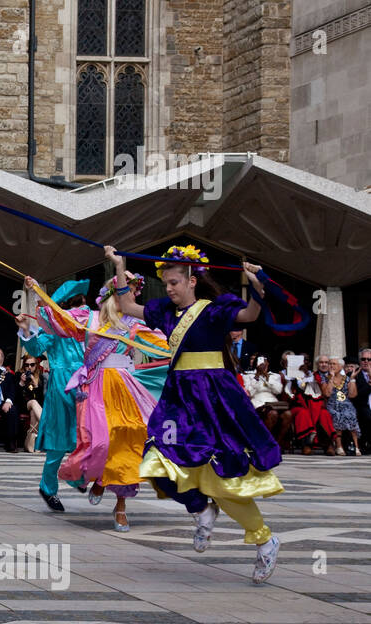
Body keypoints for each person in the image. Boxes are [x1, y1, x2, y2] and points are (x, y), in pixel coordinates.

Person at [105, 244, 281, 584]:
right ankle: (200, 508)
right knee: (156, 461)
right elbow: (126, 305)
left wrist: (258, 286)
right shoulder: (164, 313)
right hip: (180, 396)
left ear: (191, 281)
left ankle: (264, 539)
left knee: (224, 481)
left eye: (174, 282)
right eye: (166, 283)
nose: (169, 288)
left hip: (214, 397)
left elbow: (250, 316)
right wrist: (119, 265)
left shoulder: (214, 310)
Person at [28, 271, 169, 532]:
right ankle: (100, 480)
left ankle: (121, 507)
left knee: (130, 440)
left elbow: (165, 341)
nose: (130, 298)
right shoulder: (89, 318)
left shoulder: (135, 324)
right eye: (124, 294)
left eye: (133, 294)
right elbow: (59, 319)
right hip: (94, 388)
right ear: (110, 296)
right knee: (100, 441)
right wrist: (37, 292)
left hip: (125, 387)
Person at [17, 280, 90, 509]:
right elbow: (37, 349)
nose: (83, 310)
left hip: (86, 379)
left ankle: (77, 475)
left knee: (87, 433)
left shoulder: (91, 322)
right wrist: (26, 330)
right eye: (79, 304)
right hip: (62, 383)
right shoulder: (55, 324)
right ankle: (49, 487)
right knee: (60, 437)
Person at [284, 354, 336, 455]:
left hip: (315, 403)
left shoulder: (314, 375)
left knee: (324, 414)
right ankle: (306, 444)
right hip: (299, 404)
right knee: (303, 414)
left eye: (307, 360)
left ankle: (328, 444)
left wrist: (307, 374)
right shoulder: (291, 375)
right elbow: (294, 390)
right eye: (303, 361)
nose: (305, 363)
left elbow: (320, 390)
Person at [243, 355, 292, 445]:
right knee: (272, 414)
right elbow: (249, 392)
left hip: (273, 403)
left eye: (265, 361)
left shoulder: (275, 376)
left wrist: (267, 378)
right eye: (260, 361)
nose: (262, 363)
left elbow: (278, 391)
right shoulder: (248, 375)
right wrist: (257, 376)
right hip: (257, 402)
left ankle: (277, 443)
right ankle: (265, 443)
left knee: (288, 414)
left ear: (268, 363)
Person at [324, 358, 360, 456]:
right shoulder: (325, 378)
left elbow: (352, 395)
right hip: (332, 404)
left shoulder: (347, 378)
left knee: (350, 414)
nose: (331, 366)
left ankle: (356, 446)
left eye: (334, 364)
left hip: (346, 404)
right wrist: (331, 379)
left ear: (340, 367)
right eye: (330, 364)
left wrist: (352, 379)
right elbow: (327, 394)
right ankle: (339, 446)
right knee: (336, 414)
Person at [19, 356, 45, 452]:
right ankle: (46, 426)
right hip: (23, 405)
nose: (29, 367)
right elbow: (16, 397)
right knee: (33, 403)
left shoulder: (40, 377)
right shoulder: (19, 375)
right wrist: (21, 383)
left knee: (34, 412)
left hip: (36, 406)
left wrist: (36, 385)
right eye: (27, 365)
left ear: (36, 366)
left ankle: (33, 445)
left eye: (32, 365)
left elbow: (41, 399)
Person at [355, 348, 371, 448]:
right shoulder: (355, 374)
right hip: (362, 406)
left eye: (369, 359)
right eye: (363, 359)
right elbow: (357, 395)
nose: (366, 361)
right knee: (367, 415)